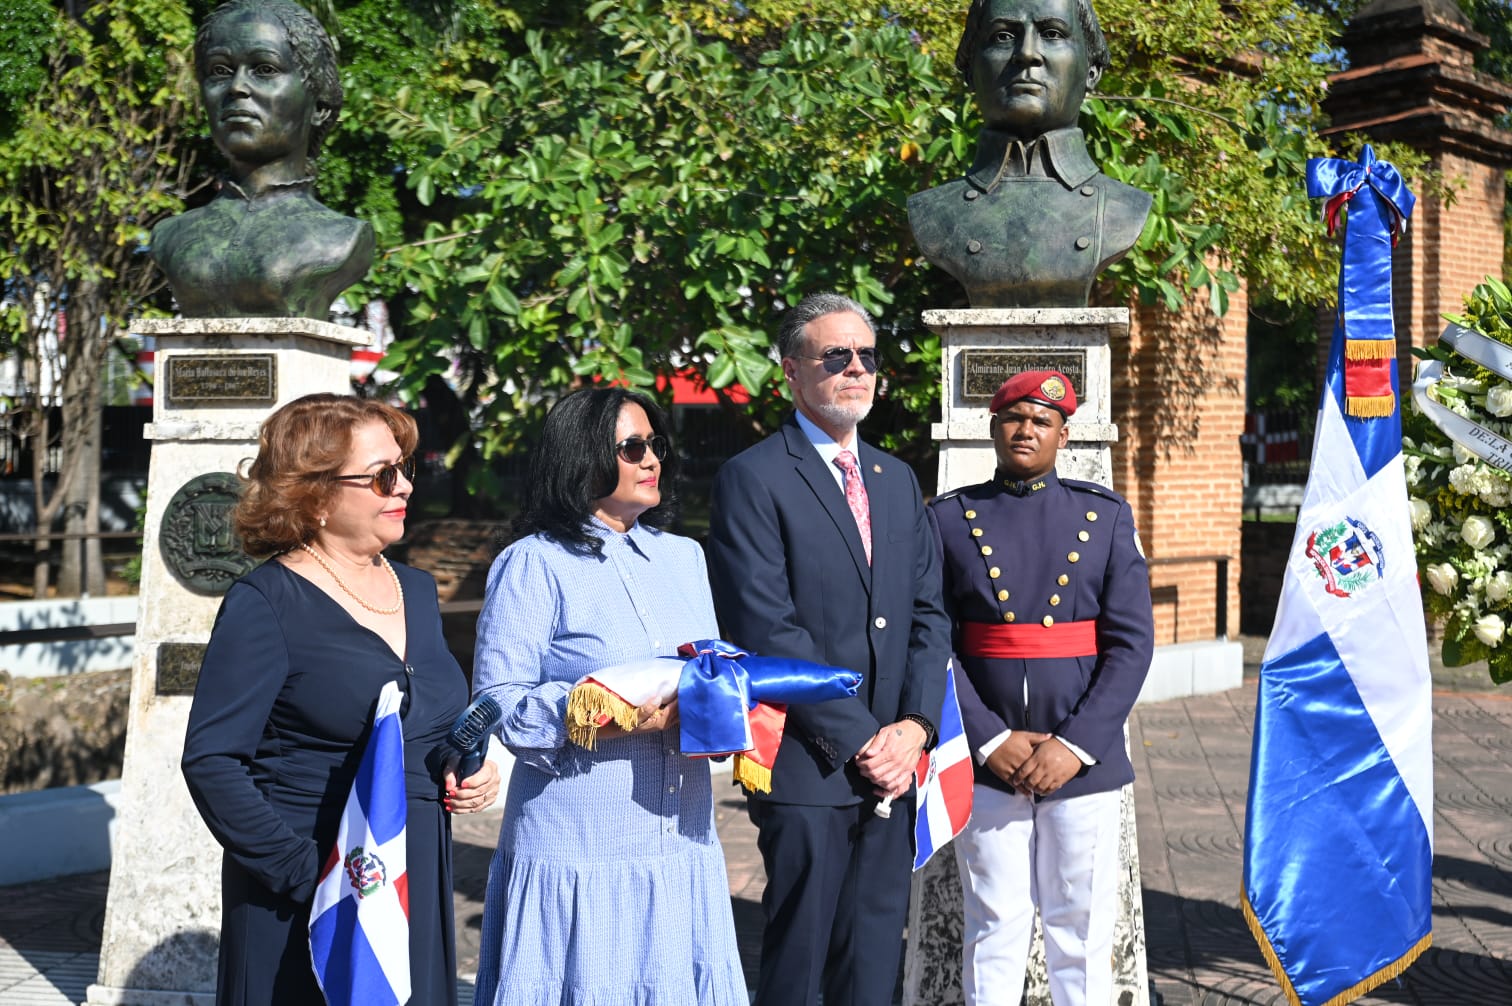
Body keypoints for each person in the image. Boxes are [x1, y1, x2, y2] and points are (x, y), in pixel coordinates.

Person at [181, 392, 500, 1005]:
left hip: (411, 873)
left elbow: (424, 725)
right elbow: (213, 762)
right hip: (307, 892)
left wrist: (463, 768)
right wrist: (315, 876)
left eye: (405, 468)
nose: (405, 486)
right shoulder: (266, 603)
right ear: (316, 495)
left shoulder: (417, 589)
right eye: (382, 475)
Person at [706, 292, 953, 1006]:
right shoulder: (753, 477)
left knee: (872, 965)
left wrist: (915, 728)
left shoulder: (895, 479)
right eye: (836, 355)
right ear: (791, 370)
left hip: (895, 766)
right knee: (802, 966)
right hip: (808, 765)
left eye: (867, 355)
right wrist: (863, 738)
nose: (856, 369)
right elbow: (766, 628)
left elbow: (927, 615)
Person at [470, 387, 748, 1006]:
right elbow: (499, 701)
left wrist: (717, 710)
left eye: (656, 445)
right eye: (632, 447)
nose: (652, 459)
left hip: (680, 835)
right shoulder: (533, 563)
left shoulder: (685, 558)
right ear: (583, 456)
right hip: (582, 841)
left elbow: (707, 670)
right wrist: (612, 714)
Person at [927, 370, 1153, 1005]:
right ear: (994, 427)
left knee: (1080, 933)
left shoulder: (1103, 517)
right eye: (1014, 418)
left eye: (1041, 421)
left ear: (1063, 435)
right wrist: (987, 737)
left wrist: (1073, 745)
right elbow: (932, 642)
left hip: (1081, 762)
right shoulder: (948, 520)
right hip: (987, 760)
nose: (1026, 430)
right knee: (993, 927)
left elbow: (1131, 645)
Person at [908, 0, 1151, 307]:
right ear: (970, 72)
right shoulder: (933, 211)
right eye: (1003, 36)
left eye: (1052, 33)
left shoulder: (1125, 208)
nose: (1026, 53)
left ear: (1091, 70)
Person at [151, 0, 374, 318]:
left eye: (265, 69)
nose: (237, 87)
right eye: (219, 71)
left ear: (320, 106)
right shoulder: (170, 236)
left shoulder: (340, 238)